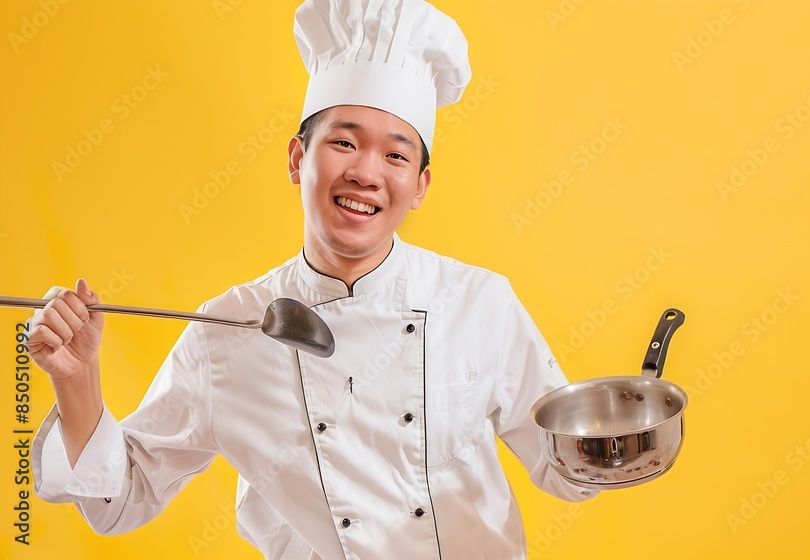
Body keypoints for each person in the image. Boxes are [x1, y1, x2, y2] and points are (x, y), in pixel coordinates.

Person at [27, 1, 596, 558]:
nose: (367, 173)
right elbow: (119, 502)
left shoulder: (480, 303)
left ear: (421, 186)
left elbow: (568, 470)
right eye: (344, 143)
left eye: (396, 157)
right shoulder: (226, 331)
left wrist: (623, 434)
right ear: (298, 158)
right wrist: (76, 379)